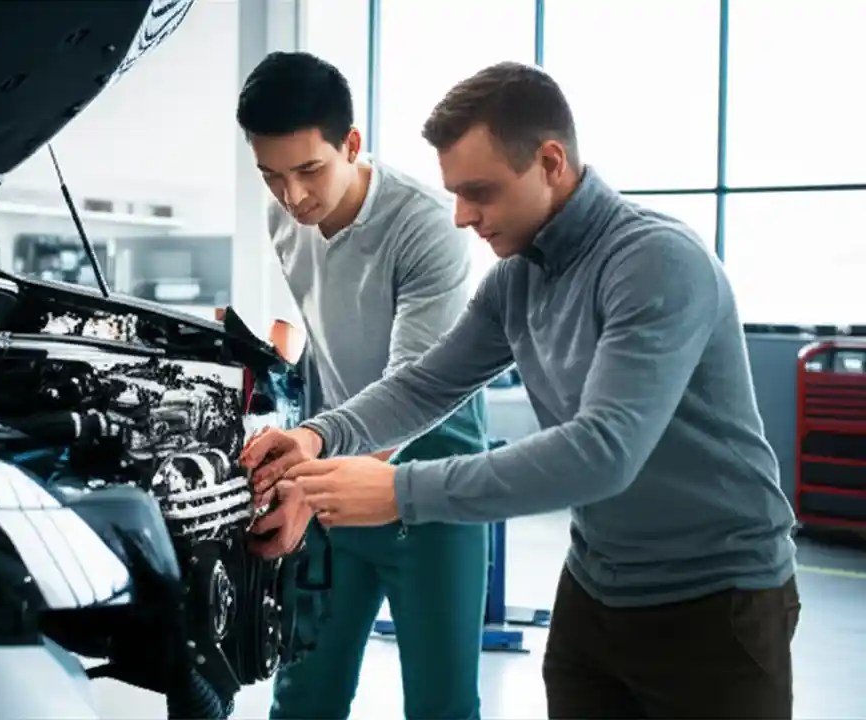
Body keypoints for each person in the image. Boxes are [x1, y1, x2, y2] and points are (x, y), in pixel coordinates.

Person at [242, 60, 801, 720]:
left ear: (551, 162)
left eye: (479, 191)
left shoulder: (655, 262)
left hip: (717, 600)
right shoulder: (519, 278)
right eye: (454, 191)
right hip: (596, 591)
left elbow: (605, 452)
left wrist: (397, 490)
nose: (459, 217)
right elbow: (427, 383)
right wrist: (317, 435)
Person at [236, 51, 491, 720]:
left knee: (442, 707)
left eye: (309, 170)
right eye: (272, 176)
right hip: (329, 472)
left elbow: (416, 387)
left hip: (431, 480)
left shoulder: (426, 224)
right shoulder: (284, 218)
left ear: (351, 144)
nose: (292, 197)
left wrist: (309, 474)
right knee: (301, 700)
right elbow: (320, 340)